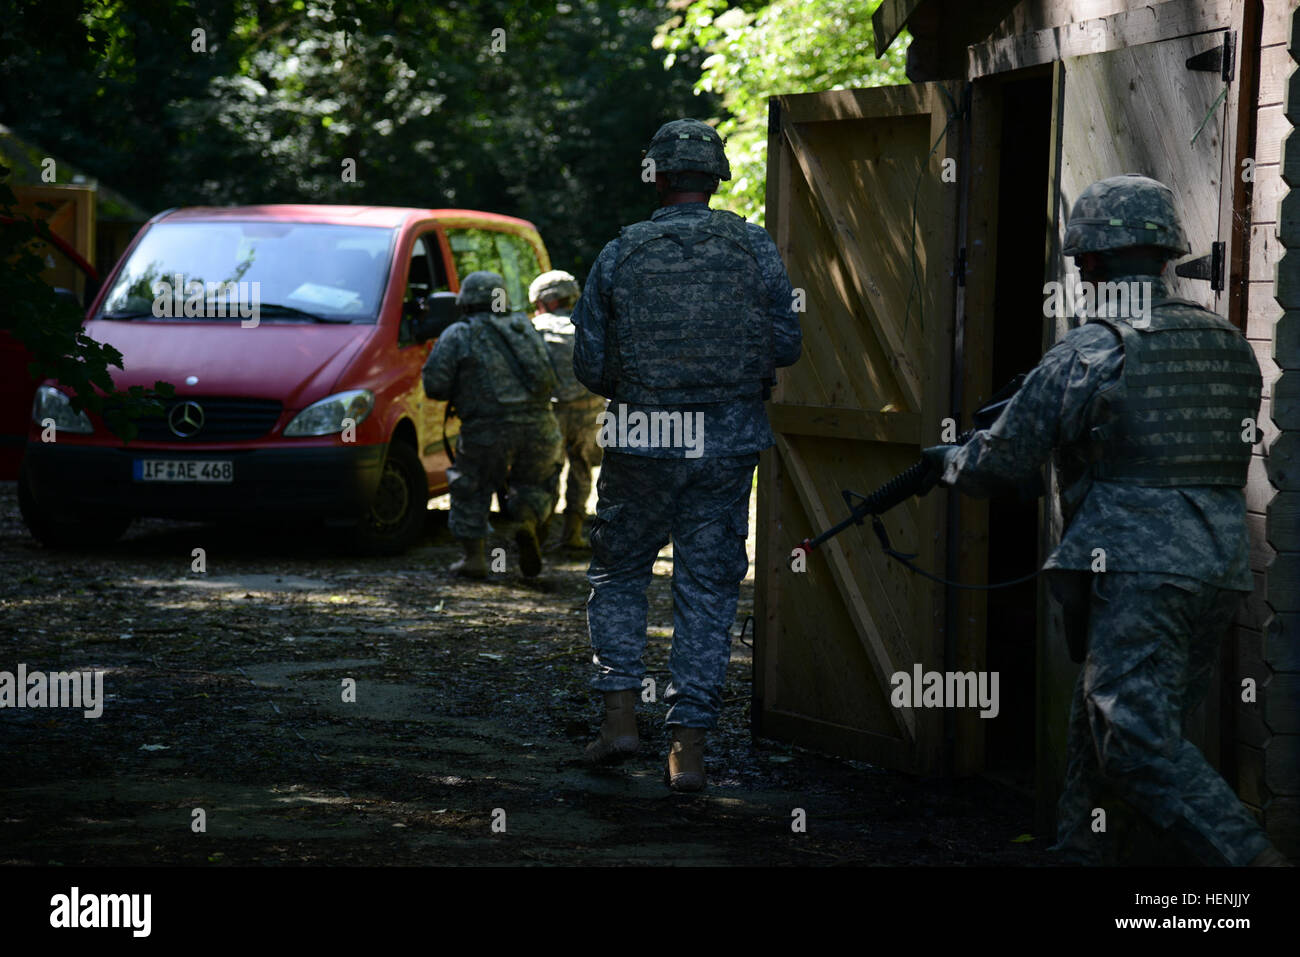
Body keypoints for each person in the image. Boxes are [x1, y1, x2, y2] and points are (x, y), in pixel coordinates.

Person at [922, 174, 1288, 865]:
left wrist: (948, 459)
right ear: (1166, 252)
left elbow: (1003, 461)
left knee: (1135, 744)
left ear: (1087, 262)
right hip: (1215, 565)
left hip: (1135, 567)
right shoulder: (1226, 341)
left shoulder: (1090, 349)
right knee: (1110, 723)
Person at [571, 118, 802, 791]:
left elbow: (589, 363)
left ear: (658, 175)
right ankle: (688, 755)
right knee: (706, 588)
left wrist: (640, 389)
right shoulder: (754, 248)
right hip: (727, 443)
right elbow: (786, 346)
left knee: (619, 574)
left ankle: (618, 719)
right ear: (717, 176)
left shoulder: (619, 253)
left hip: (643, 437)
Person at [422, 270, 563, 579]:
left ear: (466, 301)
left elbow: (435, 386)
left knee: (470, 487)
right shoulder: (523, 328)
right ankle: (526, 521)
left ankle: (475, 560)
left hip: (487, 429)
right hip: (540, 424)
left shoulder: (459, 334)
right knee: (535, 484)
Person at [529, 269, 605, 549]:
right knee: (582, 469)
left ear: (545, 301)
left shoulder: (533, 329)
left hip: (550, 413)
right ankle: (572, 535)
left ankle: (538, 532)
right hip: (590, 411)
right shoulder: (591, 326)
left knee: (545, 471)